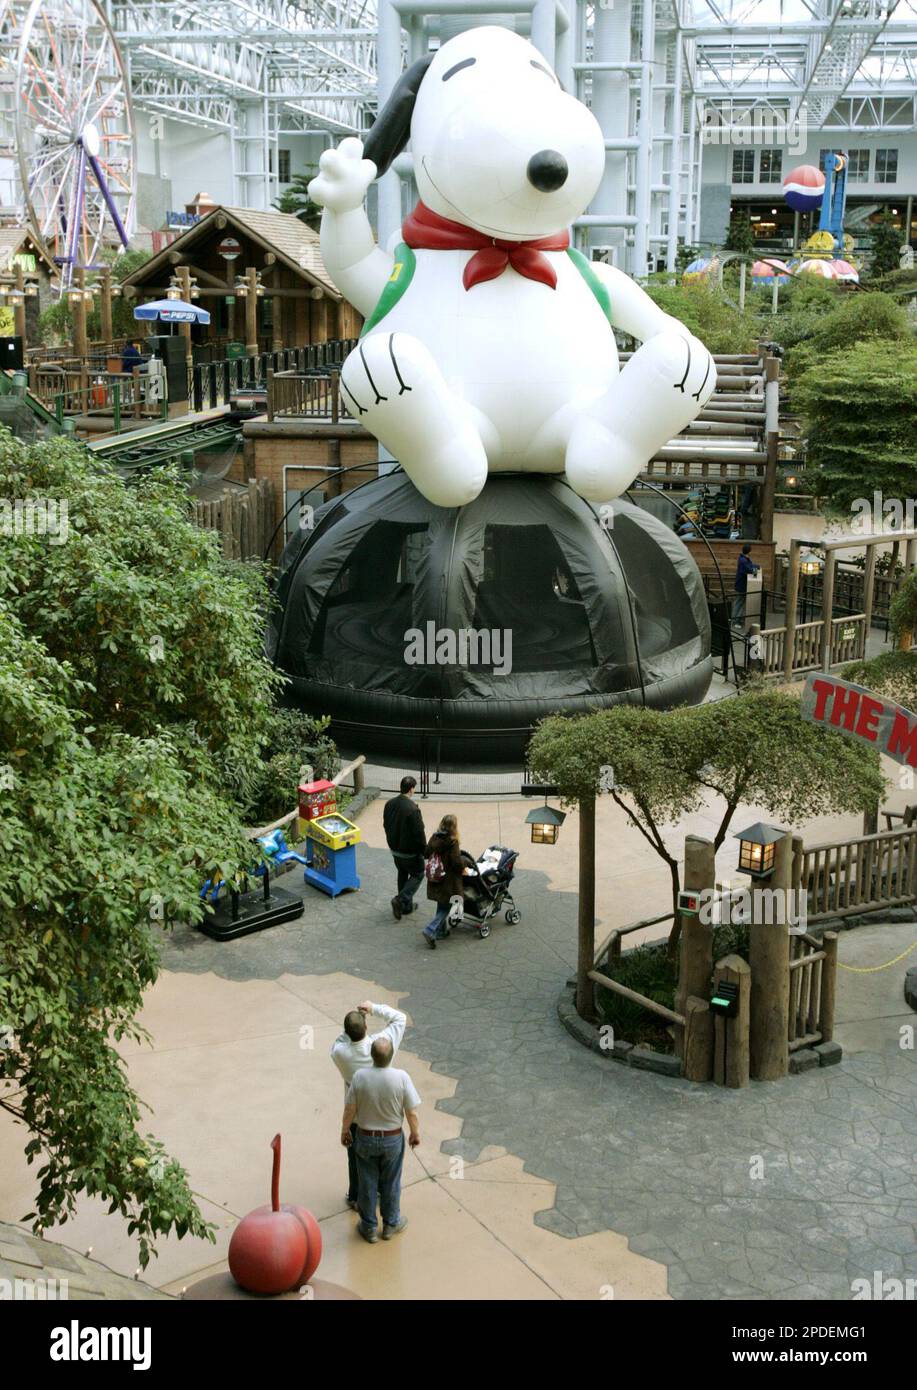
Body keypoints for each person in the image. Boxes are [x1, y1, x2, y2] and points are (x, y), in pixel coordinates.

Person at [341, 1036, 420, 1244]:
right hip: (392, 1139)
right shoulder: (401, 1077)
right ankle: (391, 1224)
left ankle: (368, 1227)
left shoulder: (359, 1076)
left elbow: (350, 1108)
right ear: (391, 1055)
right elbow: (411, 1112)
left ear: (371, 1056)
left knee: (367, 1182)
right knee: (391, 1182)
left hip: (365, 1138)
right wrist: (414, 1133)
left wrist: (345, 1130)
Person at [330, 999, 407, 1213]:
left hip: (358, 1120)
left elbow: (339, 1041)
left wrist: (353, 1024)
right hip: (385, 1117)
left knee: (357, 1162)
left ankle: (356, 1197)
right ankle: (384, 1199)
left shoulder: (340, 1054)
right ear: (366, 1028)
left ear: (347, 1031)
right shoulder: (381, 1045)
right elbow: (400, 1018)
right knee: (387, 1164)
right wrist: (372, 1009)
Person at [383, 775, 427, 920]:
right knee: (418, 873)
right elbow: (419, 833)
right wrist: (424, 851)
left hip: (395, 849)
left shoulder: (389, 804)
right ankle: (400, 900)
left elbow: (386, 825)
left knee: (402, 873)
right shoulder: (413, 809)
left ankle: (406, 907)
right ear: (412, 789)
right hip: (409, 852)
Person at [422, 813, 465, 949]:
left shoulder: (435, 837)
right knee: (447, 906)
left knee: (442, 903)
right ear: (454, 827)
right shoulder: (452, 842)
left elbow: (426, 853)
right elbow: (456, 862)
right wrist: (465, 866)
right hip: (448, 879)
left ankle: (442, 931)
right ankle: (430, 929)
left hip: (436, 876)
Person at [733, 543, 759, 627]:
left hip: (740, 584)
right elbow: (749, 569)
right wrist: (756, 568)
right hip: (742, 585)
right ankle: (735, 621)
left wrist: (756, 566)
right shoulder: (744, 560)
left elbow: (750, 566)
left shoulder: (743, 558)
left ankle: (735, 619)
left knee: (739, 602)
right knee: (739, 603)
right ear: (749, 551)